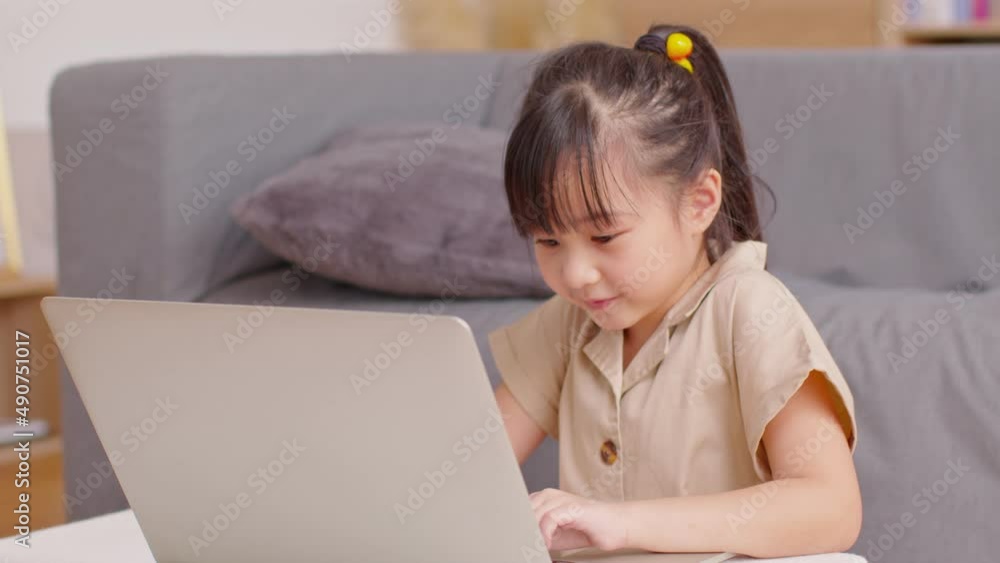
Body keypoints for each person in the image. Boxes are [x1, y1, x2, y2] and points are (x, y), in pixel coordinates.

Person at [487, 23, 861, 559]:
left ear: (698, 202)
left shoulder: (749, 309)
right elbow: (464, 472)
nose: (576, 274)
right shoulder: (567, 322)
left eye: (604, 236)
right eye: (547, 240)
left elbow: (831, 507)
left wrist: (620, 522)